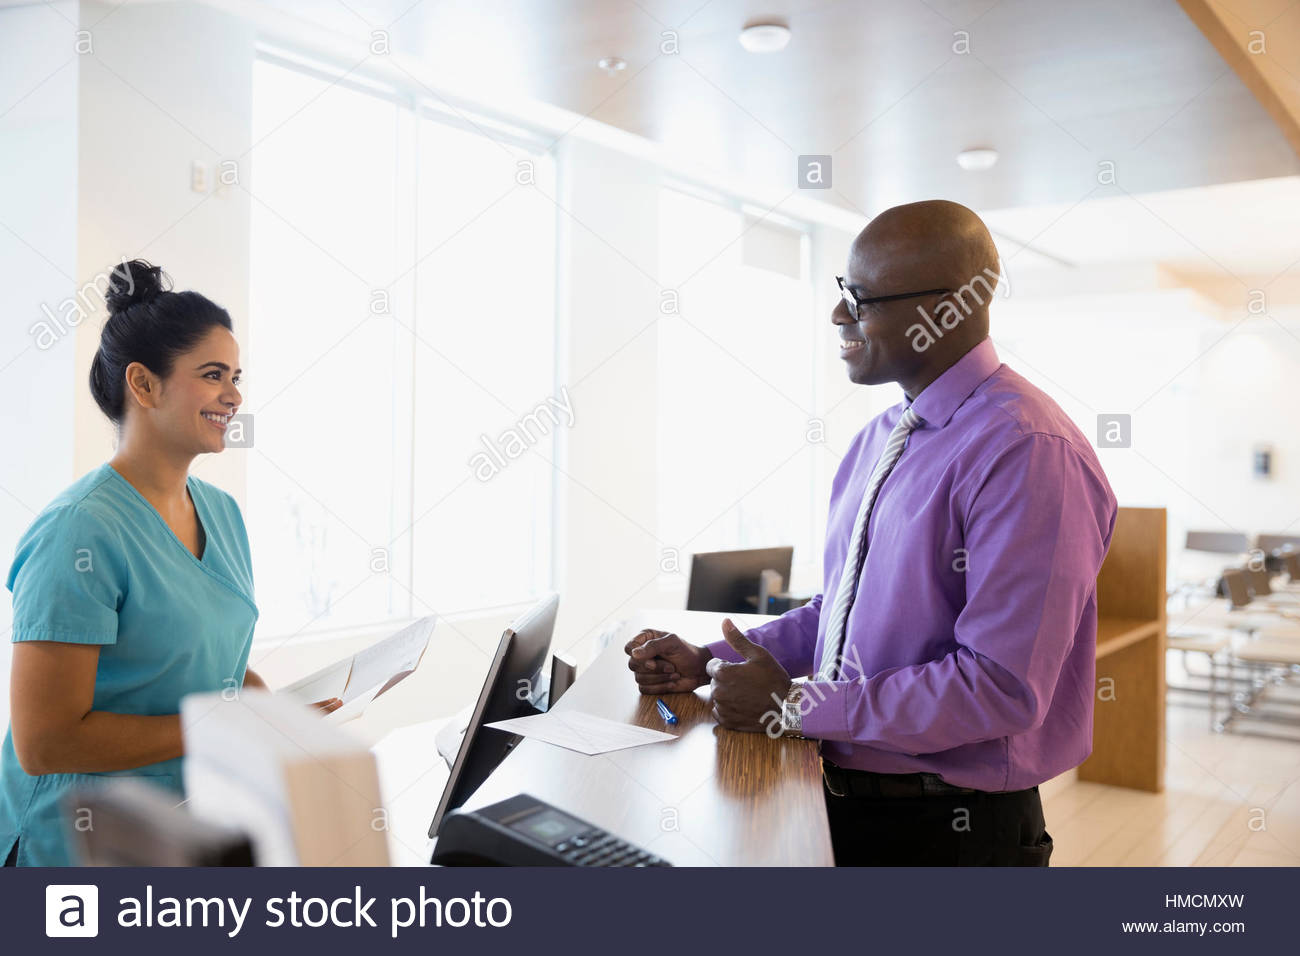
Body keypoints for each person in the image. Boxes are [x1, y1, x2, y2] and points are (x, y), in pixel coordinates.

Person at [625, 200, 1117, 866]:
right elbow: (844, 613)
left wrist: (795, 705)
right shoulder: (879, 440)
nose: (838, 316)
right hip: (834, 800)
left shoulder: (1028, 451)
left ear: (951, 305)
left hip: (949, 833)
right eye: (841, 294)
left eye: (860, 300)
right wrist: (711, 659)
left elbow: (1000, 687)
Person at [0, 259, 340, 867]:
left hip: (180, 832)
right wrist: (226, 724)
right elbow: (44, 742)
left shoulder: (223, 514)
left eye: (237, 377)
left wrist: (280, 715)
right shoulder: (80, 529)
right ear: (144, 384)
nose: (234, 396)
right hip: (72, 849)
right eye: (214, 375)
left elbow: (216, 667)